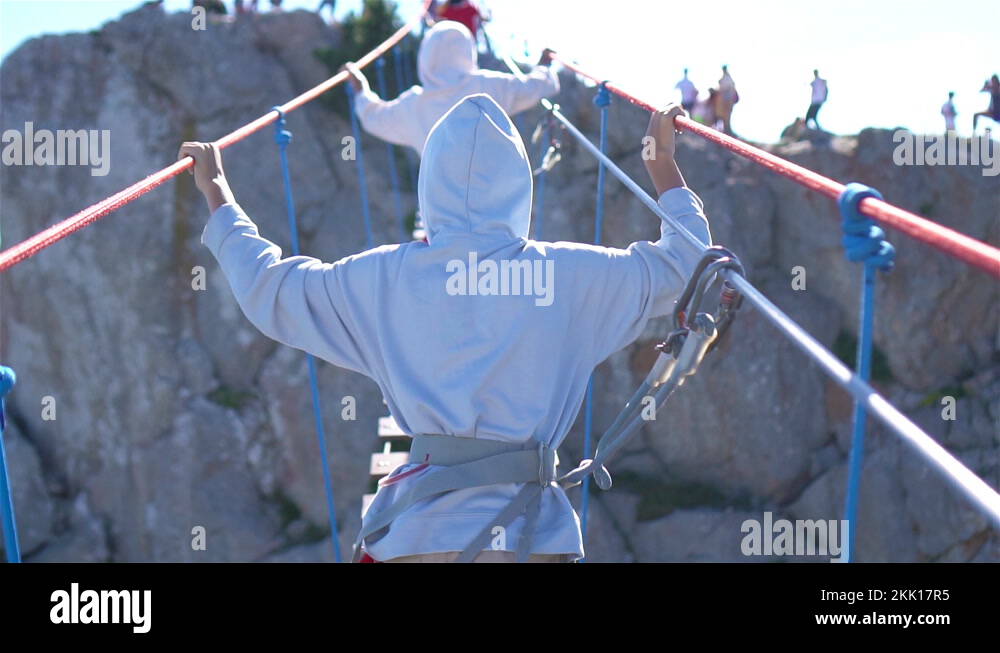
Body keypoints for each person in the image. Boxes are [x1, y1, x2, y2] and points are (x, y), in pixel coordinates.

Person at [177, 96, 711, 563]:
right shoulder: (567, 275)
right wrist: (661, 165)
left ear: (429, 181)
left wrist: (219, 194)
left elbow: (271, 288)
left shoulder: (384, 276)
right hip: (531, 539)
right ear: (520, 187)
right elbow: (688, 263)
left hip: (417, 538)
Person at [341, 20, 559, 157]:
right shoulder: (486, 85)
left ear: (425, 56)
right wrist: (543, 66)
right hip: (493, 211)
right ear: (467, 51)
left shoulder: (413, 105)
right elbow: (535, 87)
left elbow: (374, 118)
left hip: (441, 221)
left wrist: (361, 89)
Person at [715, 65, 738, 135]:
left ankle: (726, 130)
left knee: (726, 116)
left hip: (726, 100)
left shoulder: (726, 78)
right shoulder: (727, 78)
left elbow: (725, 88)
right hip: (726, 100)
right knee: (725, 116)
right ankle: (726, 130)